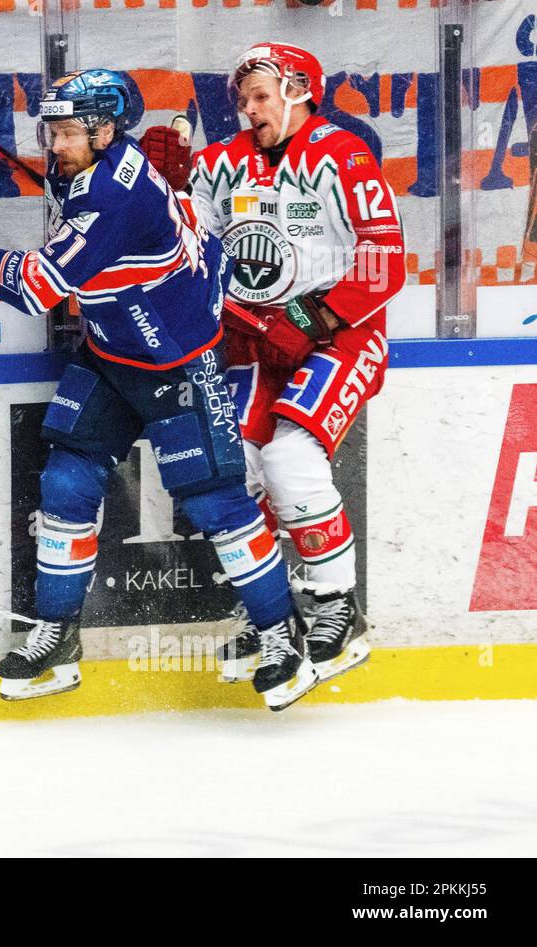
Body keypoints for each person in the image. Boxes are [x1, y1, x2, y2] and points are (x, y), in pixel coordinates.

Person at [0, 70, 316, 711]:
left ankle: (280, 637)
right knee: (67, 480)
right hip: (111, 352)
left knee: (218, 506)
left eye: (69, 132)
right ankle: (58, 636)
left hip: (176, 362)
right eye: (53, 131)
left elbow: (40, 287)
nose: (56, 144)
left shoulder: (115, 201)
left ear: (105, 131)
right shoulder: (93, 170)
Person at [188, 42, 405, 686]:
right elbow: (182, 248)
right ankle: (271, 614)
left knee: (289, 457)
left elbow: (384, 261)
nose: (248, 109)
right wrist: (160, 191)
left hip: (343, 337)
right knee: (239, 471)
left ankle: (339, 607)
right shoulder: (220, 163)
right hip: (254, 344)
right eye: (242, 100)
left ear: (298, 89)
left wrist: (315, 318)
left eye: (260, 96)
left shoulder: (343, 154)